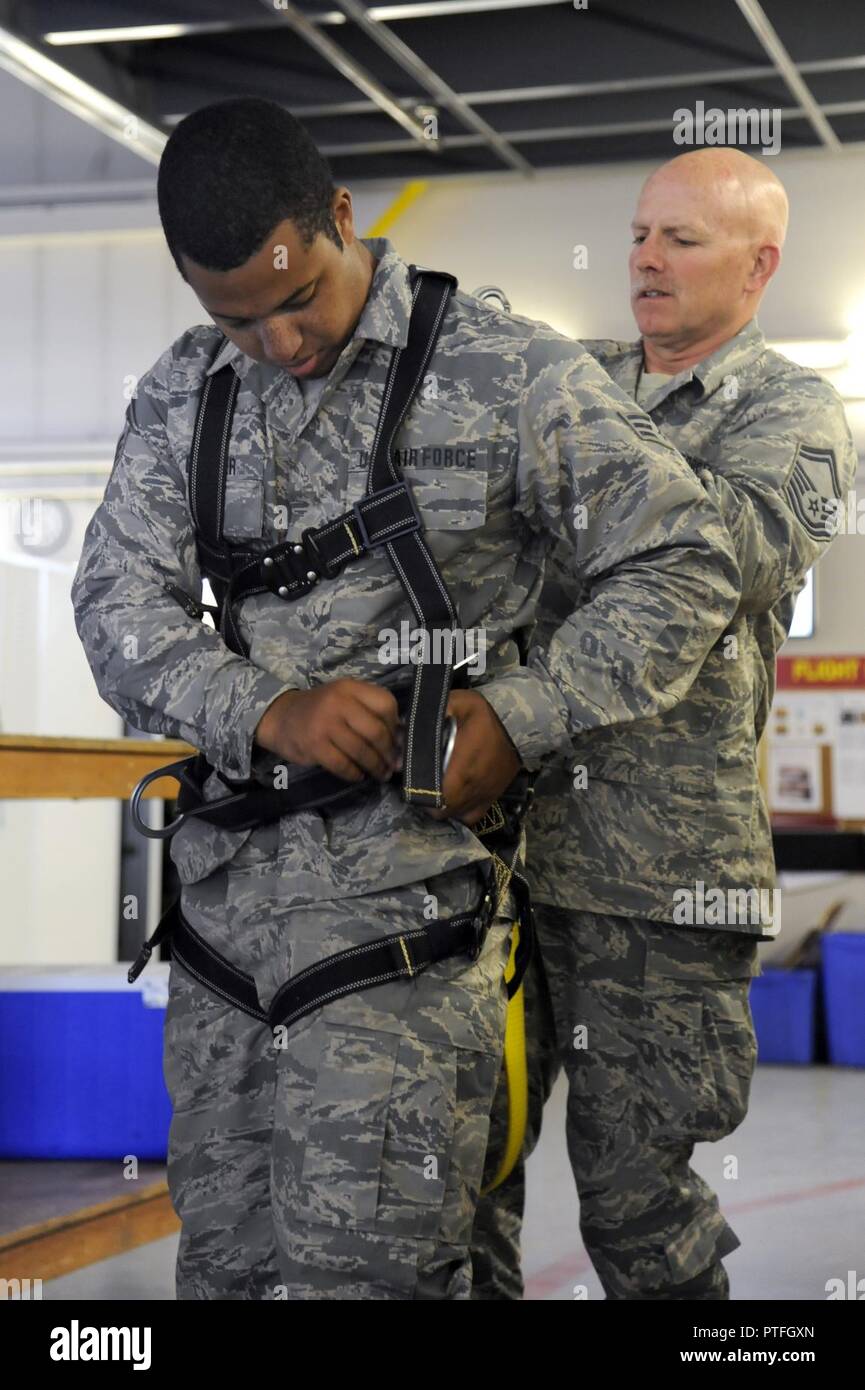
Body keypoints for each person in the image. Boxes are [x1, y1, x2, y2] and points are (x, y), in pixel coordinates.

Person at [70, 100, 740, 1300]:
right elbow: (119, 610)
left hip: (405, 924)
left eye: (297, 298)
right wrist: (262, 708)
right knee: (224, 1273)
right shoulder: (187, 395)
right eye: (234, 315)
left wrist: (524, 713)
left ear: (339, 218)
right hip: (225, 938)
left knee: (372, 1278)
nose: (276, 342)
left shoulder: (497, 369)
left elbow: (685, 560)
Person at [471, 148, 858, 1301]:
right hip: (502, 859)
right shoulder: (577, 379)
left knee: (639, 1210)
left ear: (758, 265)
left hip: (664, 881)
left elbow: (721, 553)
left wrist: (581, 440)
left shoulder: (799, 414)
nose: (644, 257)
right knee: (462, 1176)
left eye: (680, 240)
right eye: (639, 234)